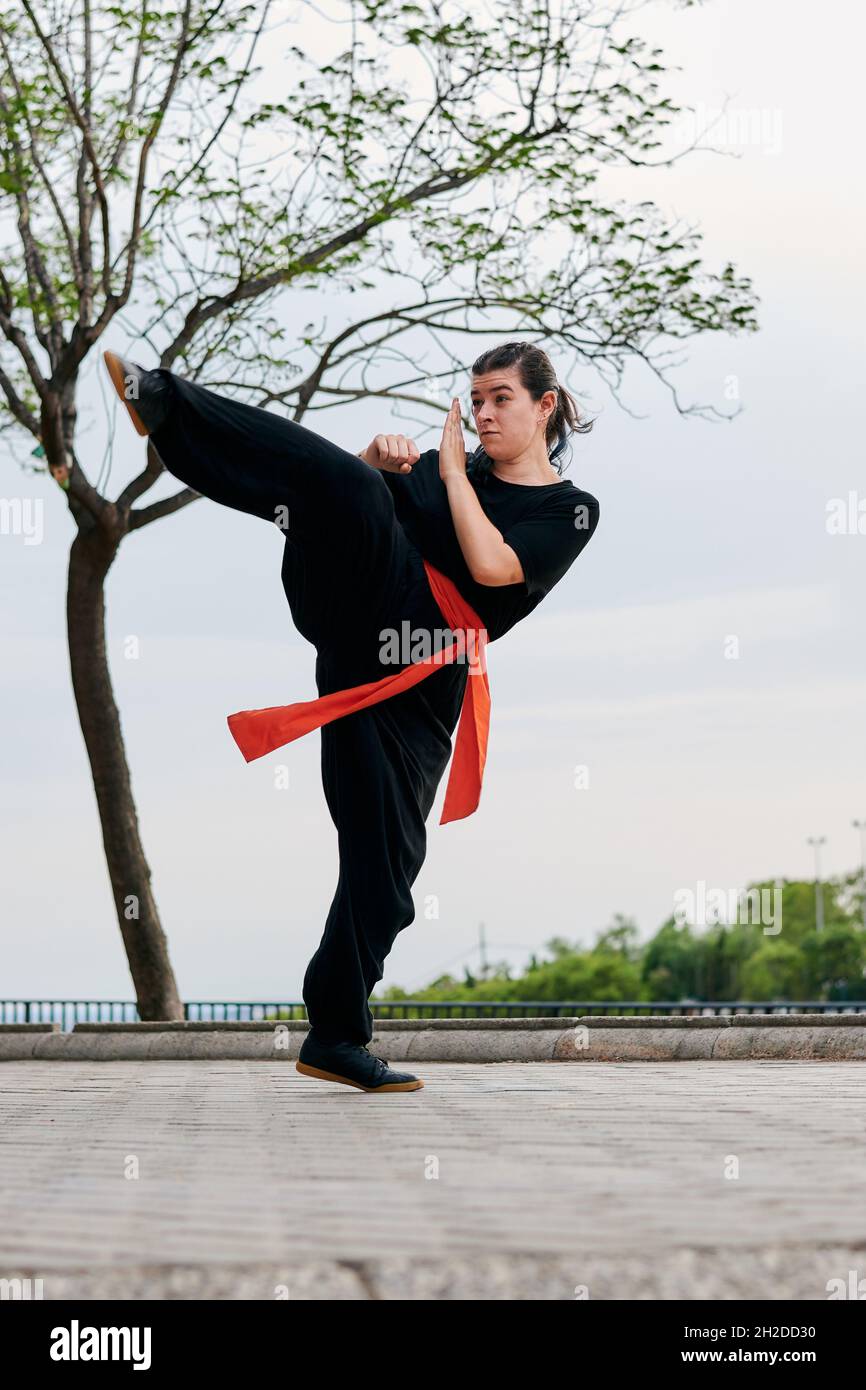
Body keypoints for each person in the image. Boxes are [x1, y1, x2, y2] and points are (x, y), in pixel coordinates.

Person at [103, 340, 600, 1093]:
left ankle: (334, 1035)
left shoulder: (568, 507)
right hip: (353, 611)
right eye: (477, 399)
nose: (484, 413)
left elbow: (496, 567)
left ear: (545, 406)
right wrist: (375, 462)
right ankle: (167, 404)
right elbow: (346, 511)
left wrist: (451, 463)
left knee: (384, 873)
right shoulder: (441, 473)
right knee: (348, 482)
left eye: (500, 398)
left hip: (424, 670)